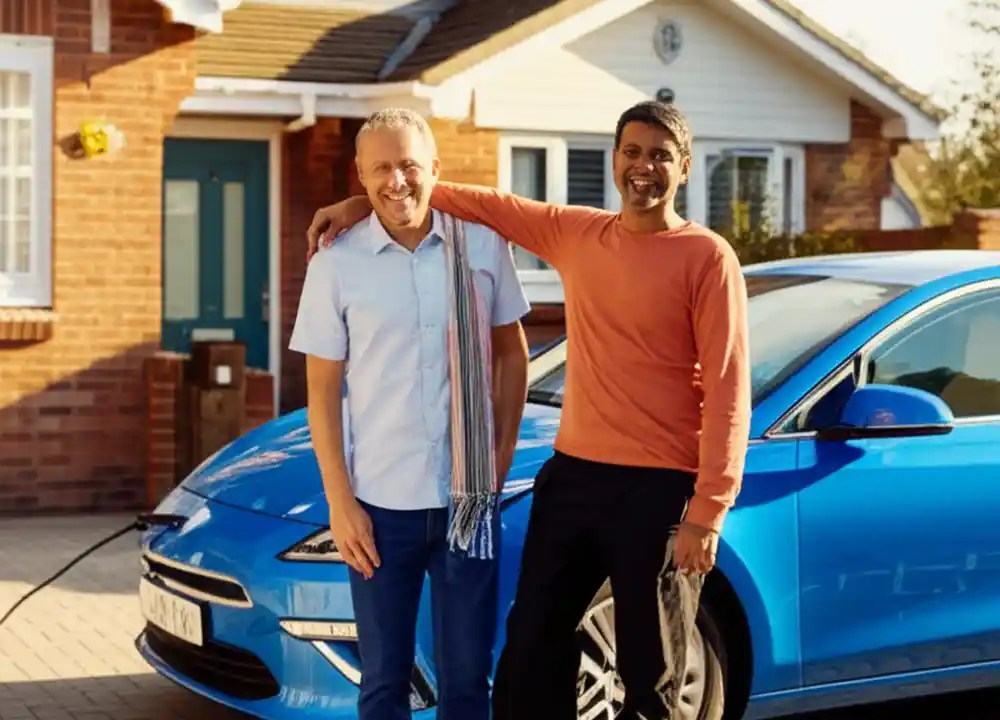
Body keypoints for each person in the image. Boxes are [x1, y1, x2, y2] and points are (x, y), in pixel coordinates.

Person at [306, 101, 751, 720]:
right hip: (574, 476)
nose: (643, 167)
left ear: (683, 169)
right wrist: (373, 203)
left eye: (660, 156)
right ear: (615, 159)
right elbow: (484, 202)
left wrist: (708, 510)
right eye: (632, 152)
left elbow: (730, 388)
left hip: (659, 488)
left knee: (649, 671)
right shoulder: (579, 233)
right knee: (530, 653)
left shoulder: (707, 257)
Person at [288, 107, 531, 720]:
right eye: (382, 169)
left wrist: (497, 462)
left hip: (468, 501)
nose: (398, 182)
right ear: (360, 177)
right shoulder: (336, 263)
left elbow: (512, 357)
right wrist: (341, 504)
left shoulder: (480, 244)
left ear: (435, 170)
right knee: (383, 685)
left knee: (470, 684)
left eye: (410, 166)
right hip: (379, 509)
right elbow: (321, 392)